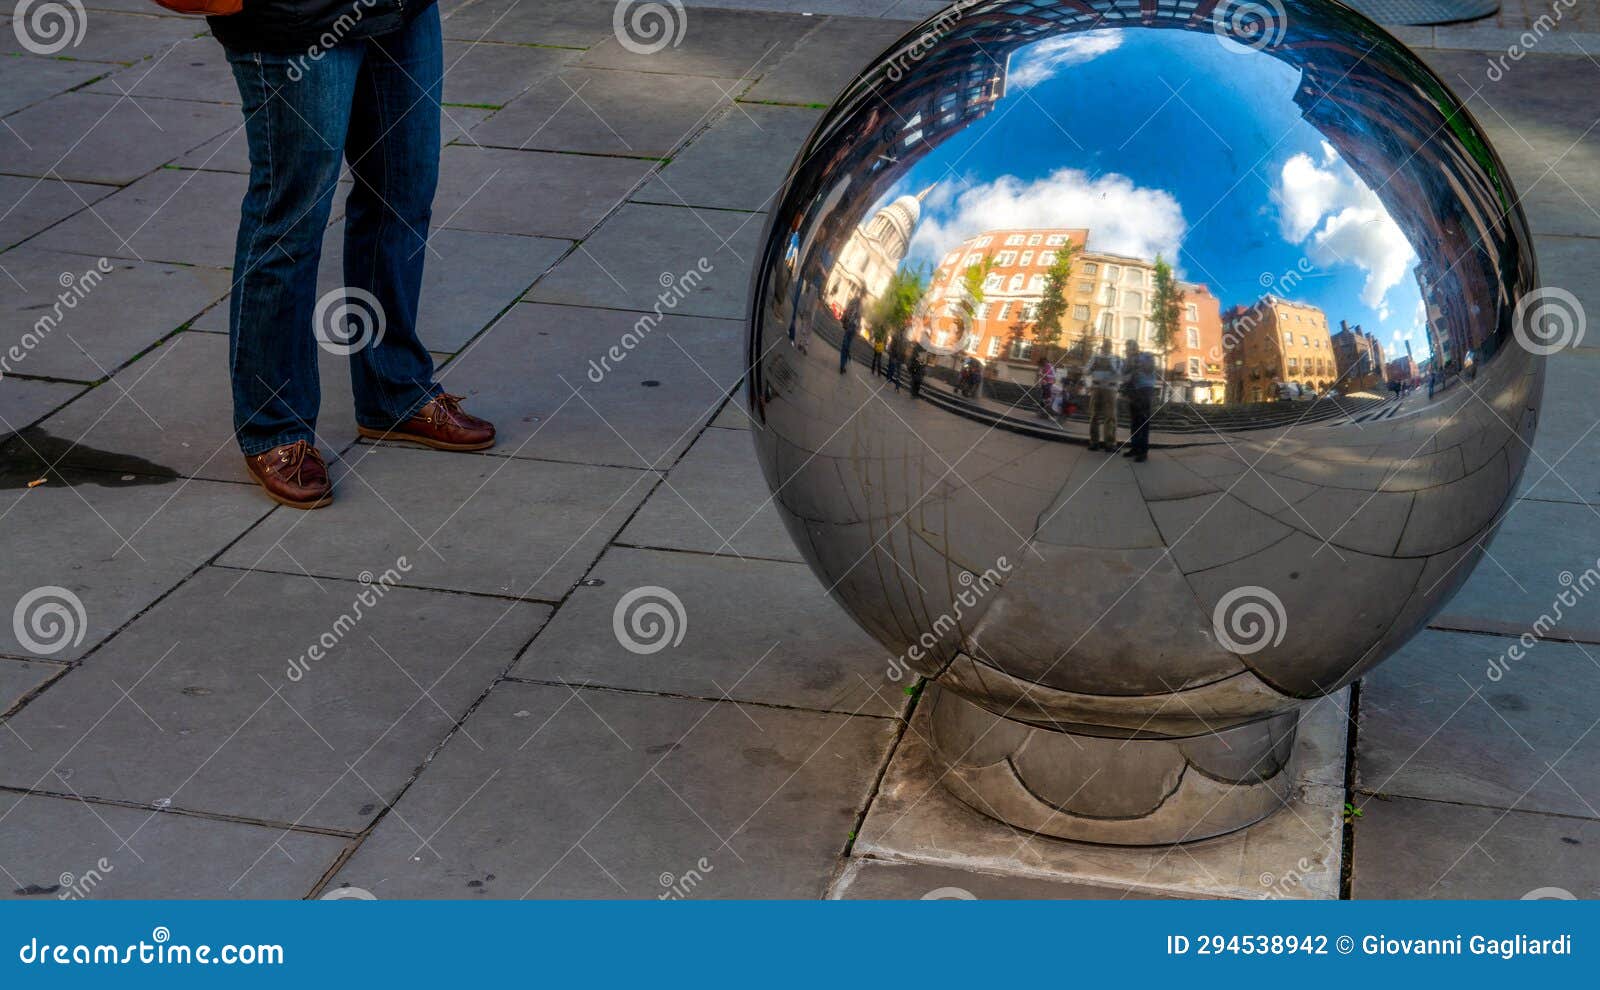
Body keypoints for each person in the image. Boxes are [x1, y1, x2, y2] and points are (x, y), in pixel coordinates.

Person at [208, 0, 494, 510]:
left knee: (402, 193)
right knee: (290, 218)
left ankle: (394, 389)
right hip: (295, 22)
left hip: (401, 10)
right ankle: (273, 427)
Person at [1085, 339, 1122, 452]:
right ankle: (1094, 442)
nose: (1106, 347)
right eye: (1104, 345)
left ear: (1111, 347)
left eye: (1108, 345)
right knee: (1094, 415)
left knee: (1110, 417)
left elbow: (1120, 374)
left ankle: (1110, 443)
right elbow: (1086, 371)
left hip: (1110, 389)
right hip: (1096, 388)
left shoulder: (1116, 358)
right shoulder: (1095, 357)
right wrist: (1092, 367)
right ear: (1102, 346)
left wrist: (1112, 367)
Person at [1124, 349, 1158, 463]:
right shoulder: (1132, 359)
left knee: (1143, 422)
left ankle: (1143, 452)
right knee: (1134, 422)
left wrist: (1137, 365)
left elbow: (1150, 368)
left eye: (1130, 346)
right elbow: (1126, 376)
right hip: (1134, 392)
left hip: (1145, 390)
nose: (1128, 348)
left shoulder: (1147, 356)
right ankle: (1135, 448)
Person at [838, 295, 862, 374]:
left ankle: (843, 365)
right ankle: (842, 366)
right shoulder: (856, 308)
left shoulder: (856, 309)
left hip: (850, 328)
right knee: (846, 347)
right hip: (850, 328)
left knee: (845, 347)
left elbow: (858, 321)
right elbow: (857, 321)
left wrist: (857, 328)